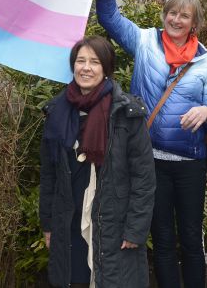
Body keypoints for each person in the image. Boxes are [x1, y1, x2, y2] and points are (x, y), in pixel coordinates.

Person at [95, 0, 207, 288]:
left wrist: (206, 109)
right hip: (149, 160)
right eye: (171, 12)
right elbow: (108, 17)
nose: (175, 19)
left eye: (184, 15)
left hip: (190, 165)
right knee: (163, 241)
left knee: (191, 241)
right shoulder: (145, 42)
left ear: (194, 23)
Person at [39, 36, 156, 287]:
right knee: (76, 279)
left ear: (106, 68)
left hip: (112, 223)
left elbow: (144, 178)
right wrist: (48, 224)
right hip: (69, 220)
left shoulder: (126, 113)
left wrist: (136, 229)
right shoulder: (57, 112)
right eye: (80, 61)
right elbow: (49, 175)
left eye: (94, 61)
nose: (86, 67)